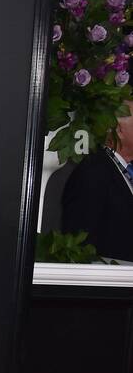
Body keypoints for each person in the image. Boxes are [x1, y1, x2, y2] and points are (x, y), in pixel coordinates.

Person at [61, 100, 133, 261]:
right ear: (119, 130)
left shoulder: (120, 170)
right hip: (105, 281)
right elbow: (80, 245)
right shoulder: (92, 173)